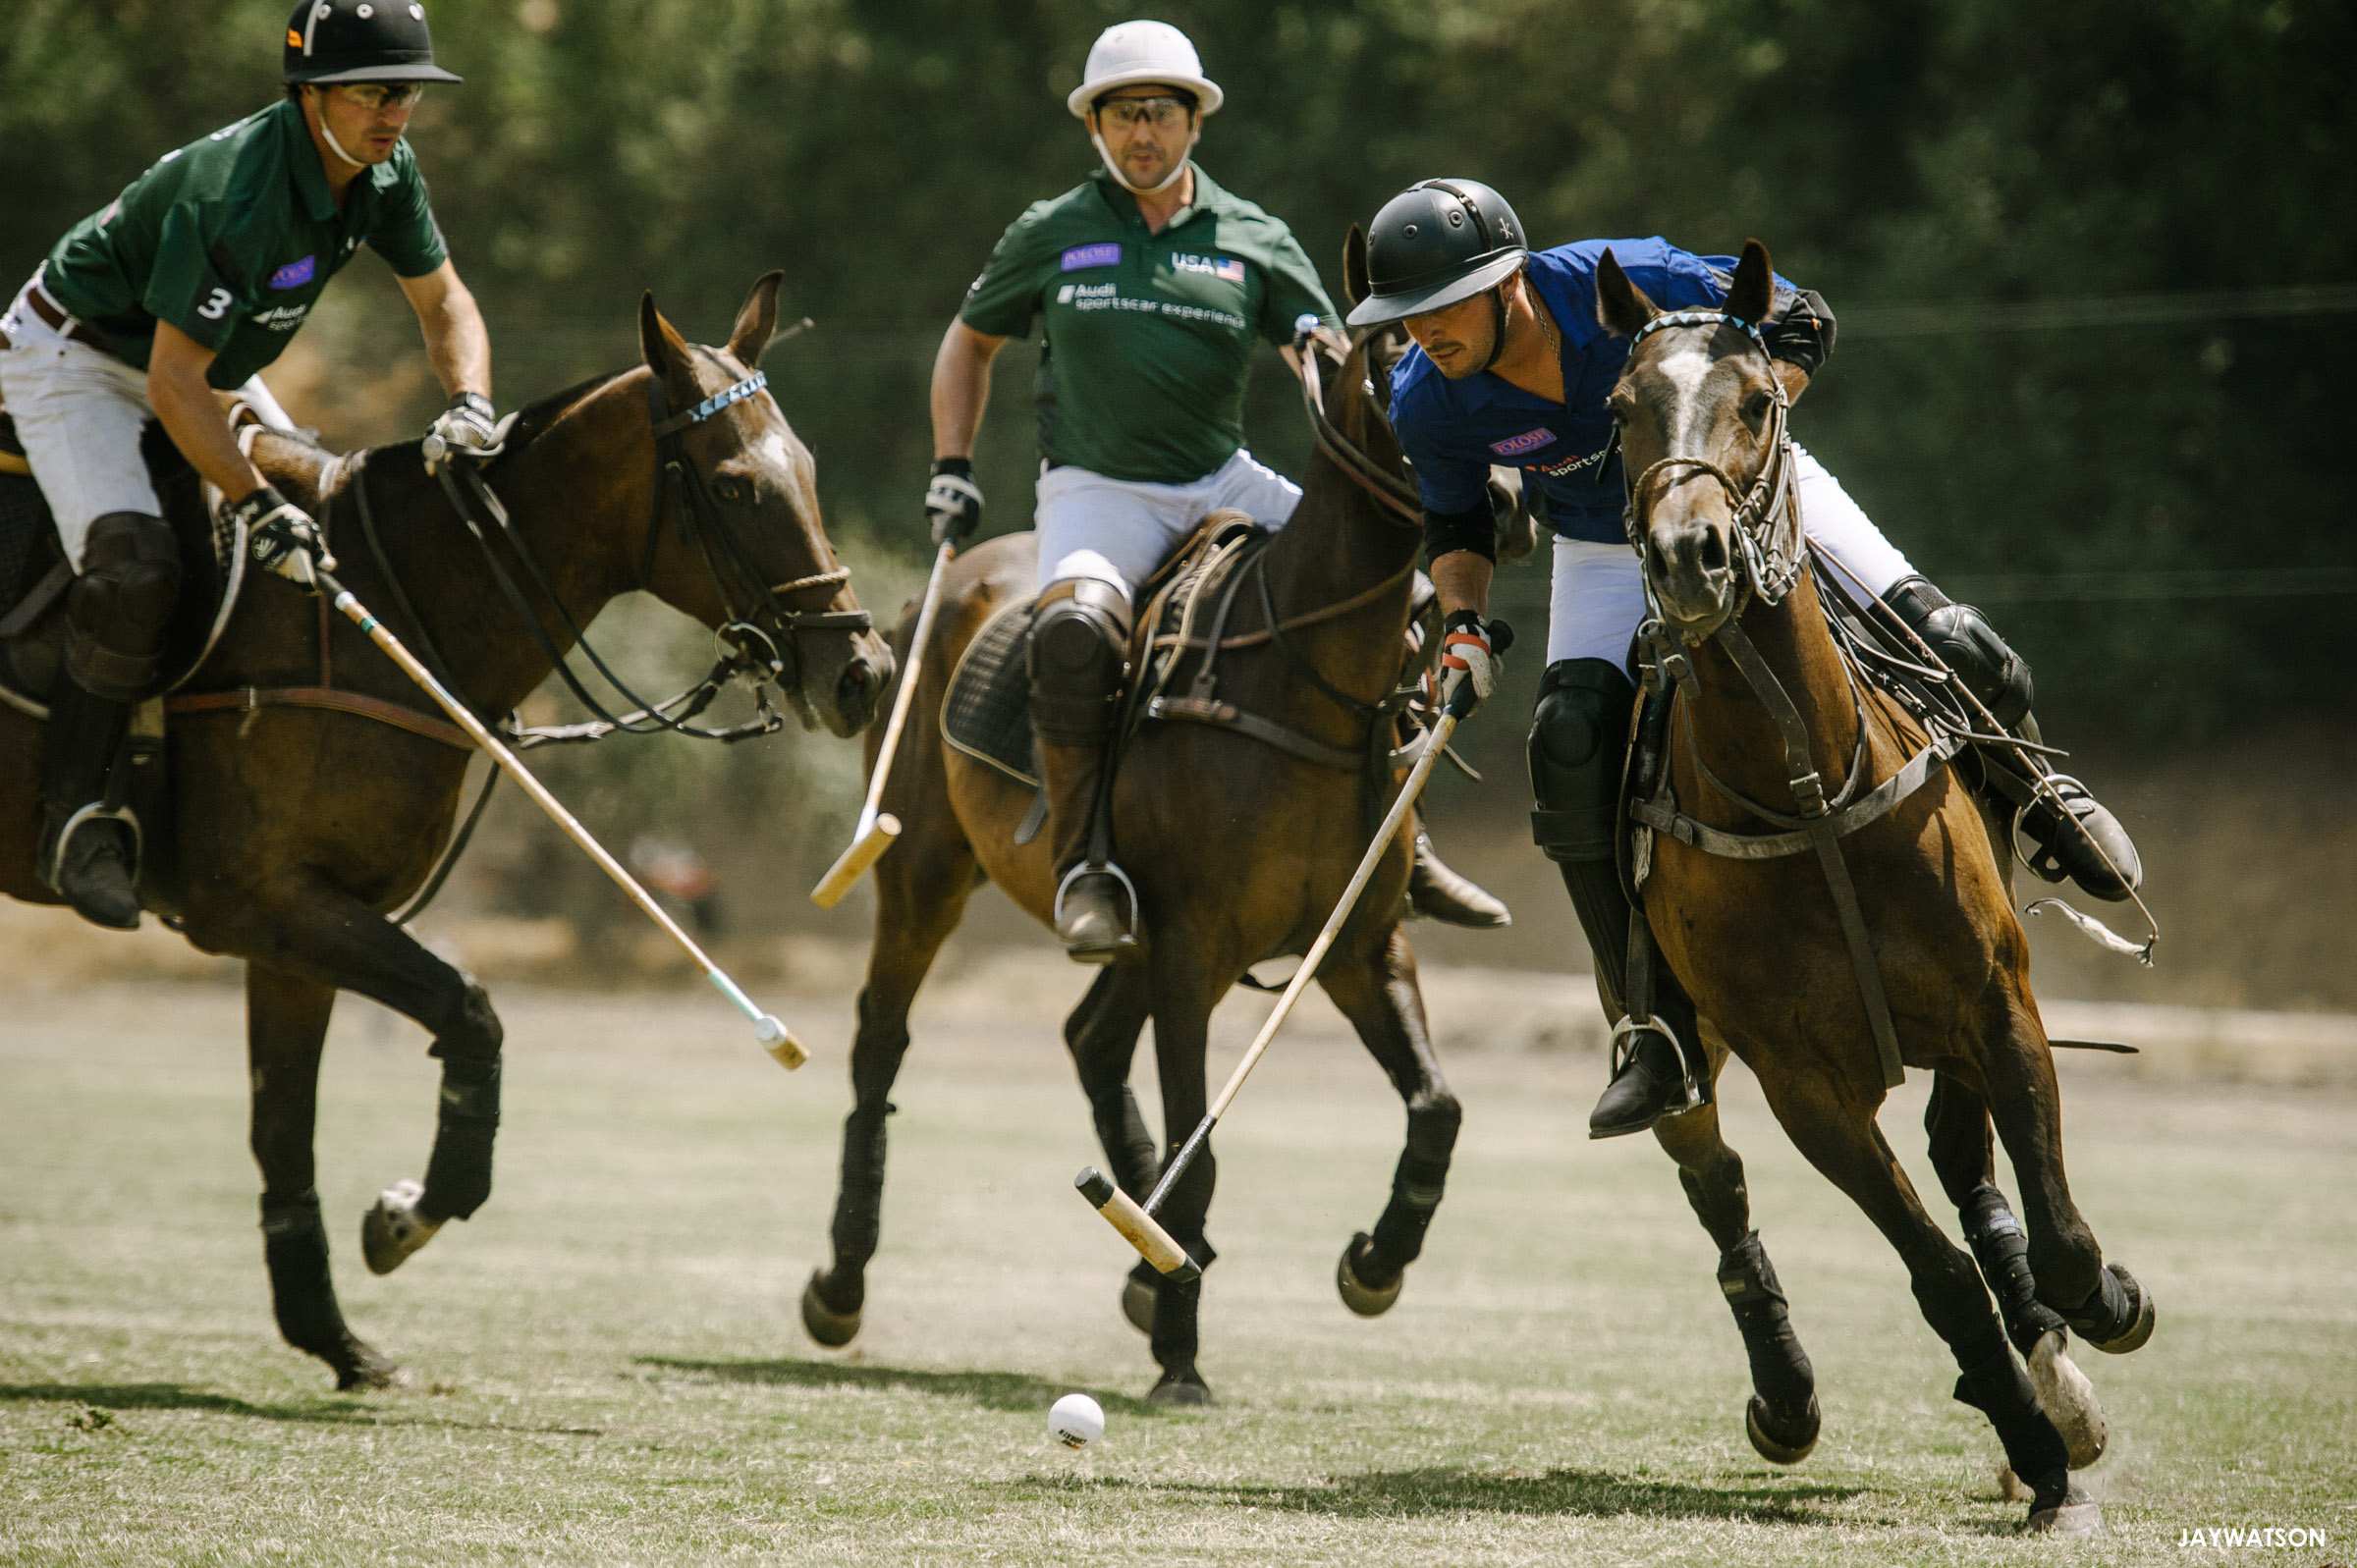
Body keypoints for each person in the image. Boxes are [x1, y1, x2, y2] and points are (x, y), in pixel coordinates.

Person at [1345, 179, 2143, 1138]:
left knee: (1953, 640)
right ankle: (1653, 1023)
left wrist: (1736, 442)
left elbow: (1804, 319)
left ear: (1507, 280)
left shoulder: (1634, 276)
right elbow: (1457, 516)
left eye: (1437, 306)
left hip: (1748, 492)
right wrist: (1464, 628)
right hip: (1606, 543)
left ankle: (2042, 799)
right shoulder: (1427, 398)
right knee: (1565, 739)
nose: (1421, 330)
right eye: (1403, 315)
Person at [924, 22, 1506, 962]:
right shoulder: (1050, 231)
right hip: (1097, 488)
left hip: (1219, 481)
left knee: (1400, 597)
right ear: (1094, 129)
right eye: (1121, 115)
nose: (1141, 132)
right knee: (1073, 634)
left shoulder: (1253, 237)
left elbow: (1328, 360)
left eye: (1160, 113)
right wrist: (953, 467)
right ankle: (1086, 870)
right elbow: (968, 343)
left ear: (1196, 122)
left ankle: (1409, 838)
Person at [0, 0, 495, 932]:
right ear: (310, 97)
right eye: (376, 92)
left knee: (328, 519)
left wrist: (469, 404)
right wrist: (254, 500)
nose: (396, 111)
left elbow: (447, 306)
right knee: (139, 564)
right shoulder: (233, 193)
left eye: (410, 94)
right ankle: (73, 821)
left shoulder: (384, 171)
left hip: (197, 354)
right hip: (80, 356)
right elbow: (174, 385)